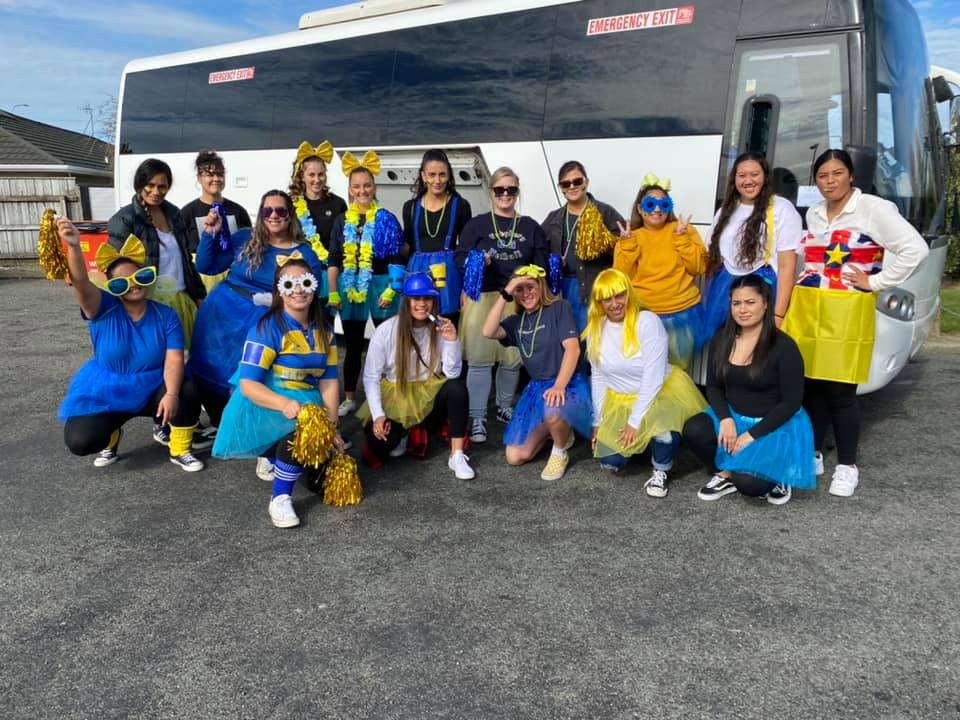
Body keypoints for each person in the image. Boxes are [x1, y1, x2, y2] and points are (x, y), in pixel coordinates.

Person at [783, 149, 930, 497]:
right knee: (813, 385)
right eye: (822, 176)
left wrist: (876, 282)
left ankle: (847, 466)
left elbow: (916, 250)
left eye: (837, 173)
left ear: (850, 175)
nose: (830, 181)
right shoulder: (816, 213)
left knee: (842, 389)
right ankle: (815, 453)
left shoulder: (873, 209)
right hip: (810, 307)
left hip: (848, 309)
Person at [57, 219, 204, 472]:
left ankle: (180, 449)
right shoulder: (101, 309)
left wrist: (170, 394)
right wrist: (74, 247)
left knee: (186, 389)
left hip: (153, 386)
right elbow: (81, 283)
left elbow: (174, 359)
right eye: (121, 282)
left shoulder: (166, 314)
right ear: (111, 288)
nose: (133, 284)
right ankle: (110, 436)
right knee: (80, 441)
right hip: (108, 388)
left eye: (139, 276)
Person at [213, 256, 342, 528]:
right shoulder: (265, 328)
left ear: (314, 287)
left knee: (323, 483)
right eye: (289, 283)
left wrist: (332, 426)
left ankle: (278, 458)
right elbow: (248, 384)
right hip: (267, 405)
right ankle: (280, 497)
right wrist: (284, 403)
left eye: (305, 282)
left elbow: (329, 381)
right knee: (300, 435)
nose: (298, 290)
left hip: (309, 404)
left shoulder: (325, 331)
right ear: (279, 289)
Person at [188, 190, 325, 435]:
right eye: (268, 210)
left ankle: (257, 433)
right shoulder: (244, 238)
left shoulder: (304, 253)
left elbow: (313, 292)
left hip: (264, 322)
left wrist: (276, 301)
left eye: (281, 211)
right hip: (221, 316)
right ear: (261, 214)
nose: (274, 216)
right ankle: (222, 423)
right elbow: (206, 266)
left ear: (290, 216)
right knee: (209, 370)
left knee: (253, 376)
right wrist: (210, 233)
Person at [683, 274, 815, 505]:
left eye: (750, 302)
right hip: (735, 417)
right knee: (694, 430)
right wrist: (725, 419)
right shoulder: (721, 340)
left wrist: (750, 436)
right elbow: (713, 387)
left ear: (765, 303)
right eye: (737, 303)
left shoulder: (784, 347)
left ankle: (779, 475)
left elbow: (791, 402)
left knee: (750, 486)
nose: (742, 309)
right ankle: (725, 473)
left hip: (773, 425)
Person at [584, 269, 706, 497]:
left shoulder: (647, 321)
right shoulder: (596, 328)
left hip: (659, 393)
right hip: (620, 398)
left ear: (629, 294)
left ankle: (661, 469)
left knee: (664, 435)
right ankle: (642, 444)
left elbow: (653, 376)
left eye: (619, 295)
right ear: (598, 301)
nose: (614, 304)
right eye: (607, 298)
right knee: (610, 461)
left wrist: (634, 421)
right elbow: (599, 376)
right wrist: (598, 420)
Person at [457, 167, 548, 443]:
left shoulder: (530, 225)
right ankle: (477, 417)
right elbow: (460, 259)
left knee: (512, 360)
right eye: (500, 190)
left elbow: (542, 263)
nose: (506, 194)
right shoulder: (477, 224)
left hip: (519, 300)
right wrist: (476, 262)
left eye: (511, 190)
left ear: (517, 193)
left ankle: (504, 406)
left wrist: (532, 278)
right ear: (491, 192)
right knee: (480, 360)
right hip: (484, 298)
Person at [356, 272, 474, 479]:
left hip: (429, 394)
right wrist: (378, 415)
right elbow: (371, 377)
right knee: (381, 444)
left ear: (434, 301)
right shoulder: (386, 331)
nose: (422, 304)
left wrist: (453, 340)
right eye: (416, 298)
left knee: (457, 387)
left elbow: (452, 373)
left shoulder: (441, 328)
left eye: (427, 298)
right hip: (397, 395)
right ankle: (403, 433)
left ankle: (457, 454)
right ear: (406, 301)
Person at [481, 265, 591, 481]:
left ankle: (559, 451)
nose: (525, 294)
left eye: (530, 287)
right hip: (536, 388)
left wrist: (559, 385)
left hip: (567, 382)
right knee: (515, 456)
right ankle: (559, 430)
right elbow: (488, 331)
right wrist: (506, 292)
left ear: (541, 286)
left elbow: (573, 348)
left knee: (553, 405)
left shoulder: (560, 308)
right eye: (519, 290)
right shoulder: (516, 322)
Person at [326, 150, 405, 417]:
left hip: (381, 283)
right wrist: (334, 291)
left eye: (367, 185)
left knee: (387, 342)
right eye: (357, 186)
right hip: (351, 287)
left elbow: (397, 254)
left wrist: (393, 287)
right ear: (349, 190)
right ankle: (349, 397)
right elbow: (335, 257)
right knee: (353, 345)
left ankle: (388, 392)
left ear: (374, 187)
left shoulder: (386, 217)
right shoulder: (341, 221)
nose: (363, 191)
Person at [701, 152, 801, 342]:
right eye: (742, 175)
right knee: (724, 351)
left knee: (755, 354)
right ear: (734, 180)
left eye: (754, 174)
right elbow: (710, 256)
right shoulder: (726, 210)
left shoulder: (782, 209)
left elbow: (787, 267)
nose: (748, 181)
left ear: (765, 176)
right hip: (725, 295)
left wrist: (778, 316)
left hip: (762, 292)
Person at [108, 158, 205, 348]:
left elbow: (186, 262)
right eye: (150, 185)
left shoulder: (175, 215)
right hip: (148, 304)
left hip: (182, 302)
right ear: (139, 184)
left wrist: (200, 297)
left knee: (186, 360)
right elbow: (117, 270)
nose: (156, 192)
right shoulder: (124, 220)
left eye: (162, 186)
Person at [613, 173, 707, 369]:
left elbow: (699, 267)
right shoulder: (630, 237)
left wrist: (681, 239)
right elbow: (620, 278)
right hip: (644, 317)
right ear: (639, 208)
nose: (657, 209)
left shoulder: (683, 230)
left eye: (663, 204)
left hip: (683, 315)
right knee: (645, 374)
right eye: (650, 204)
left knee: (678, 376)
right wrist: (628, 246)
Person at [541, 161, 624, 332]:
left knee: (595, 342)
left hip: (594, 287)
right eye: (566, 183)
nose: (572, 187)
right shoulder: (554, 217)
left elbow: (624, 248)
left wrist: (600, 244)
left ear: (586, 182)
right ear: (560, 188)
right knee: (568, 341)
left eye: (577, 181)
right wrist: (553, 262)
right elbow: (538, 249)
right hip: (563, 289)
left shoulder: (604, 212)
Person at [402, 149, 473, 327]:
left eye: (442, 174)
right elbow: (408, 246)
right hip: (418, 273)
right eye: (432, 175)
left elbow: (466, 249)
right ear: (423, 176)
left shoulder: (461, 205)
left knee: (448, 326)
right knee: (419, 327)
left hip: (450, 276)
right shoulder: (410, 207)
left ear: (449, 175)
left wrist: (467, 288)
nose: (437, 180)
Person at [180, 150, 252, 293]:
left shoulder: (238, 211)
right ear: (199, 178)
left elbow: (250, 247)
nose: (216, 179)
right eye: (210, 174)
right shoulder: (187, 213)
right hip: (201, 280)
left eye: (220, 174)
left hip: (234, 278)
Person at [289, 140, 348, 298]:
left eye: (321, 174)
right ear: (302, 176)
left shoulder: (337, 204)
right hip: (303, 274)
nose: (317, 179)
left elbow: (345, 239)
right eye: (312, 175)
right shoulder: (292, 205)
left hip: (332, 273)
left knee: (328, 320)